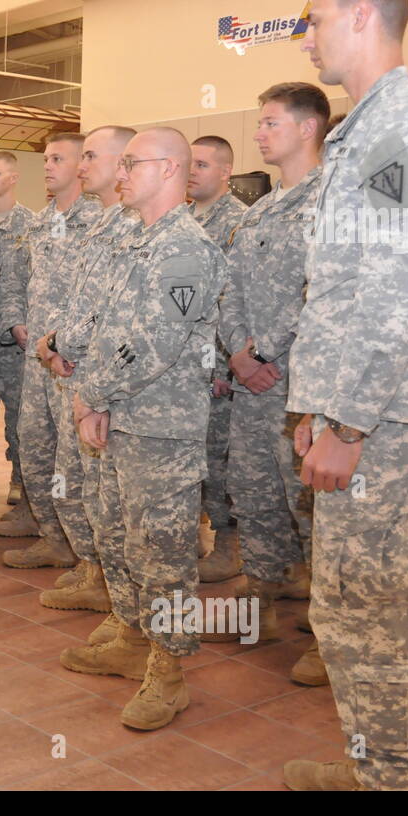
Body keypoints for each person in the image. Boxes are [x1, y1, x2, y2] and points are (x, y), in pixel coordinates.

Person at [282, 0, 408, 792]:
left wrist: (350, 420)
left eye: (316, 18)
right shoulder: (364, 131)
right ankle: (377, 771)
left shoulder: (404, 124)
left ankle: (400, 792)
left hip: (384, 422)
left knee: (375, 617)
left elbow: (403, 285)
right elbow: (340, 287)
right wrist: (310, 404)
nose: (308, 36)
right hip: (359, 413)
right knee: (345, 611)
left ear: (363, 18)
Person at [71, 127, 227, 730]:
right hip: (121, 415)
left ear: (168, 170)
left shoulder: (185, 248)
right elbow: (108, 328)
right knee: (121, 535)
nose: (121, 173)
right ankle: (135, 641)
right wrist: (99, 396)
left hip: (163, 429)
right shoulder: (139, 240)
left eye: (132, 163)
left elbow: (153, 344)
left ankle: (170, 671)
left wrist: (92, 392)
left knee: (163, 552)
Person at [203, 84, 326, 688]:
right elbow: (227, 294)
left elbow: (326, 294)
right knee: (255, 495)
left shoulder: (334, 203)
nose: (258, 133)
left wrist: (265, 351)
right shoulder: (259, 212)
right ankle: (263, 610)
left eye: (270, 123)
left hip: (303, 387)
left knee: (312, 506)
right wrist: (237, 352)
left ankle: (331, 635)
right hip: (254, 387)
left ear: (307, 129)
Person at [34, 125, 138, 614]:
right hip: (70, 370)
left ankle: (119, 597)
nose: (80, 165)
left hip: (101, 379)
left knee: (103, 488)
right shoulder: (102, 225)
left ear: (123, 163)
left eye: (89, 156)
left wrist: (60, 343)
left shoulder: (131, 226)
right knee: (74, 477)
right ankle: (95, 569)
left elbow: (114, 312)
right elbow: (80, 300)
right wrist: (55, 347)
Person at [6, 133, 101, 570]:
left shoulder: (99, 220)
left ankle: (89, 556)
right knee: (35, 449)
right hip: (36, 360)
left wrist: (65, 344)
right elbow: (19, 280)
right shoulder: (39, 222)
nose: (47, 166)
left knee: (76, 460)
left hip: (73, 363)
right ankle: (55, 538)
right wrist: (18, 320)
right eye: (45, 158)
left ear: (82, 164)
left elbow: (99, 298)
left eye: (57, 158)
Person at [188, 135, 247, 582]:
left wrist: (224, 365)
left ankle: (229, 544)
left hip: (217, 367)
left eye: (203, 165)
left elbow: (234, 302)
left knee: (219, 460)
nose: (193, 171)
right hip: (179, 367)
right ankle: (188, 535)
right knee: (188, 458)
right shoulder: (181, 220)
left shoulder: (238, 223)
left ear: (225, 172)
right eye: (189, 163)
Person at [0, 151, 38, 532]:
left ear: (14, 178)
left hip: (18, 348)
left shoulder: (32, 226)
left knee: (23, 426)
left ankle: (25, 494)